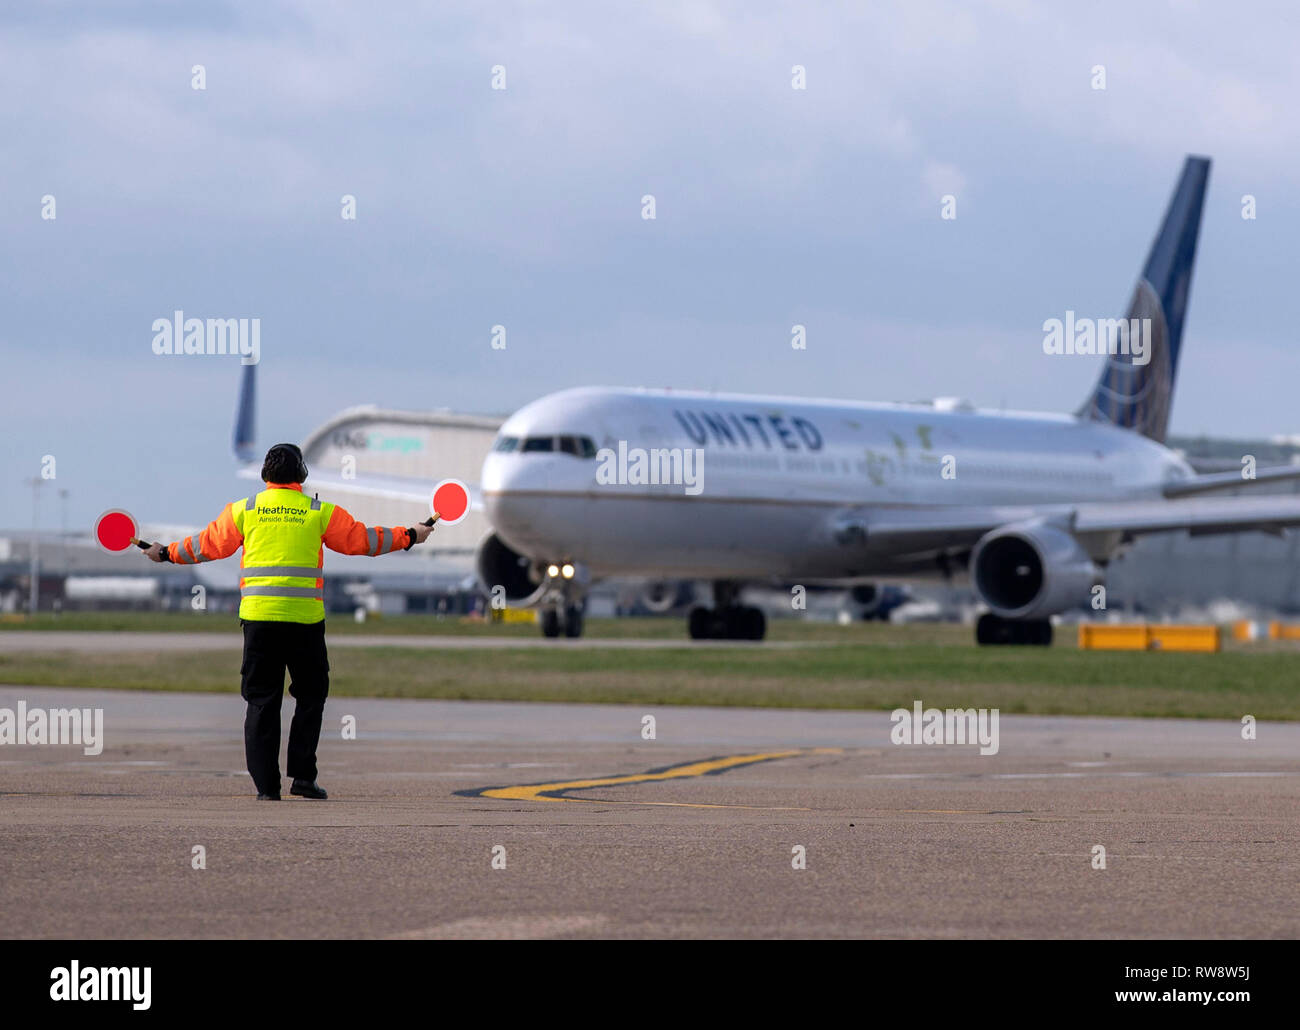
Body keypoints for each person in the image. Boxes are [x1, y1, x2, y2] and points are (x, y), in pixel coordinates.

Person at [144, 443, 435, 800]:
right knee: (311, 698)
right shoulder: (319, 512)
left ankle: (267, 788)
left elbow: (206, 546)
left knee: (262, 702)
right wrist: (409, 535)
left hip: (259, 622)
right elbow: (364, 541)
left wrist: (166, 553)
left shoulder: (244, 511)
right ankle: (303, 778)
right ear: (302, 476)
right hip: (305, 624)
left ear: (265, 476)